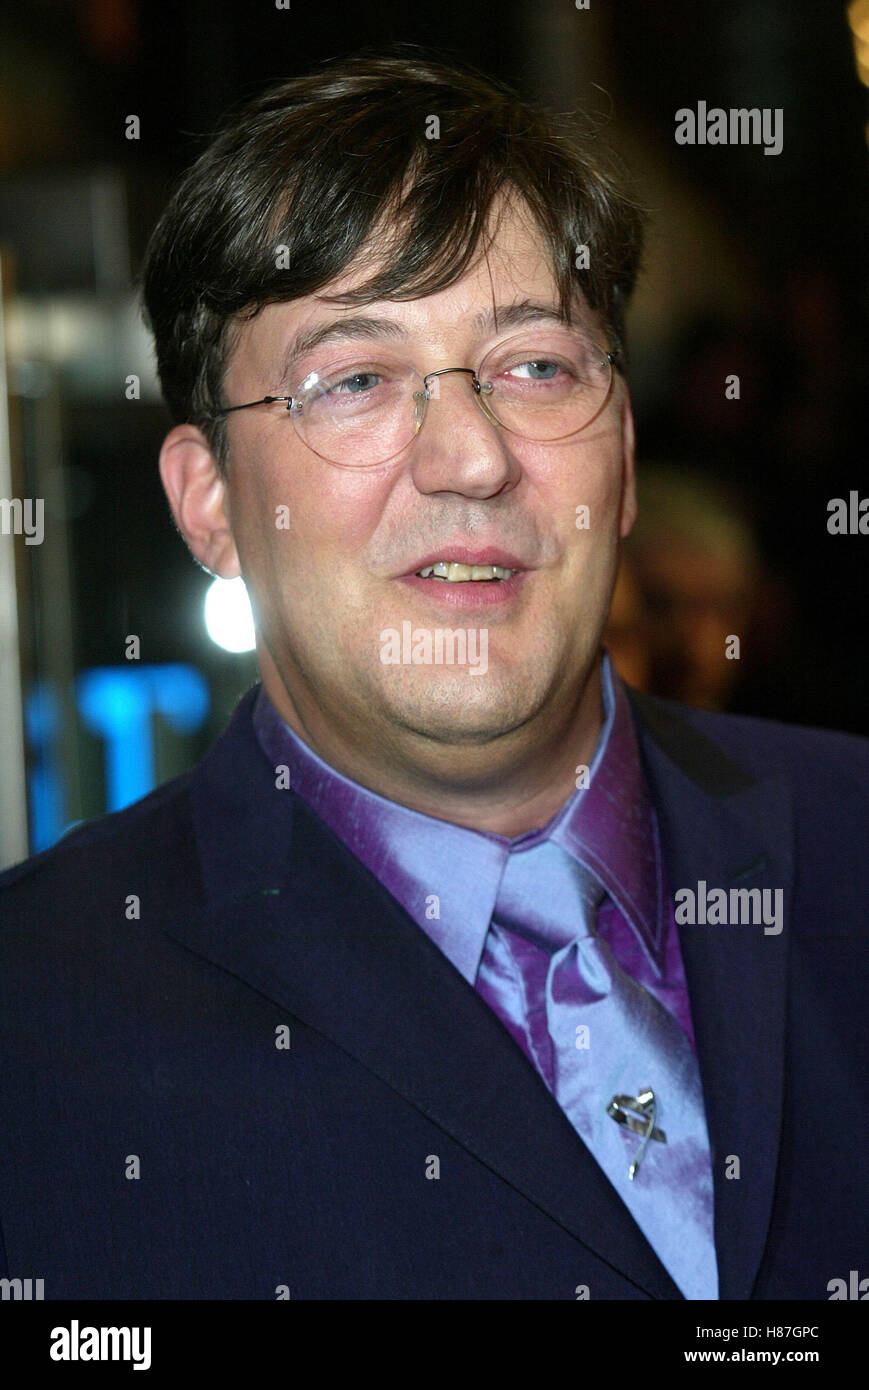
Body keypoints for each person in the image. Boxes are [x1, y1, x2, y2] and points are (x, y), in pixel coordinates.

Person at [0, 47, 866, 1302]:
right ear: (209, 505)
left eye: (534, 368)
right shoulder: (36, 1028)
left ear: (619, 454)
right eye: (353, 380)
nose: (469, 458)